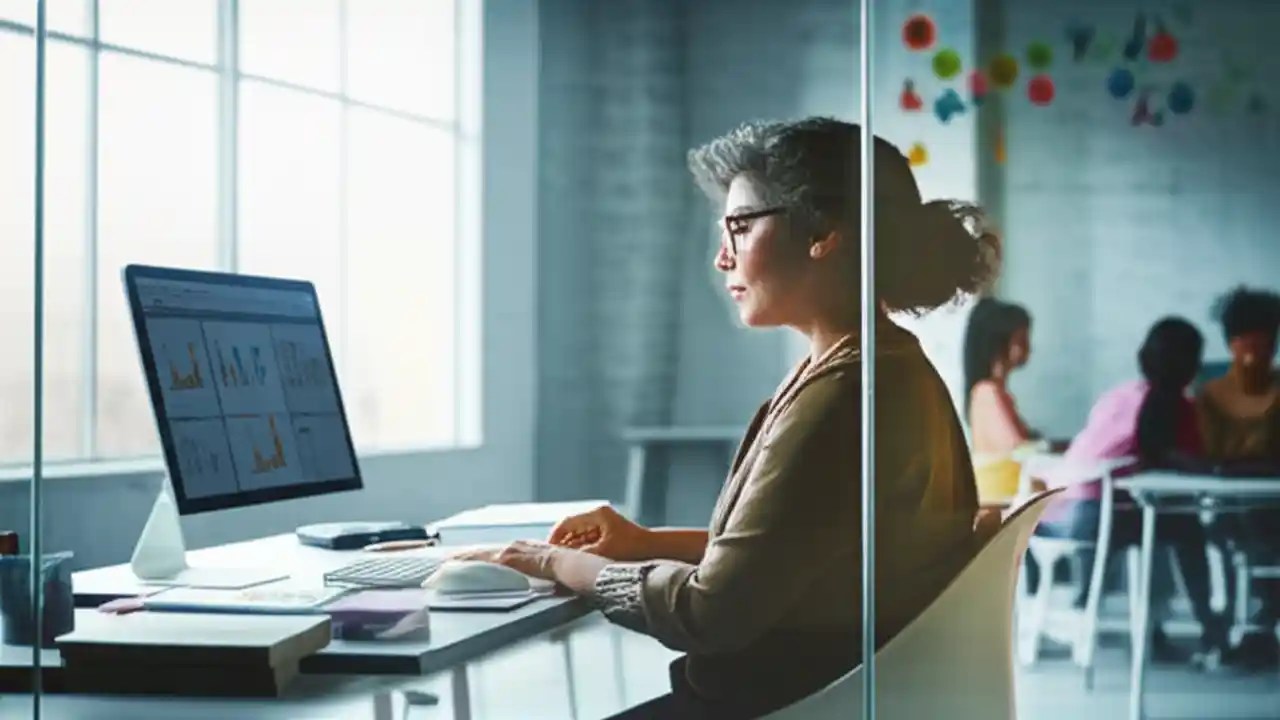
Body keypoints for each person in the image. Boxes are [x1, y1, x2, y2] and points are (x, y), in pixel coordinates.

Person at [457, 117, 1000, 718]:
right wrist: (642, 543)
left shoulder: (850, 391)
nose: (722, 258)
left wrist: (555, 562)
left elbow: (708, 613)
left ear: (822, 231)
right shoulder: (879, 366)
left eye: (739, 227)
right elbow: (783, 559)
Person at [1035, 318, 1226, 664]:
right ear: (1188, 364)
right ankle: (1211, 630)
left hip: (1063, 509)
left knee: (1164, 525)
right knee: (1185, 529)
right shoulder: (1170, 404)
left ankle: (1132, 622)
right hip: (1099, 515)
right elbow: (1176, 454)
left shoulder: (1120, 394)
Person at [1196, 286, 1280, 665]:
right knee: (1232, 528)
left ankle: (1261, 626)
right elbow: (1207, 454)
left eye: (1269, 347)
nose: (1260, 357)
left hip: (1272, 499)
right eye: (1251, 348)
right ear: (1232, 345)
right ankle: (1234, 629)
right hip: (1226, 502)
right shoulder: (1209, 394)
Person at [963, 298, 1042, 502]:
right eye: (1022, 340)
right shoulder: (987, 393)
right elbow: (1018, 451)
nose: (1029, 348)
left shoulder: (996, 393)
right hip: (1003, 504)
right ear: (999, 343)